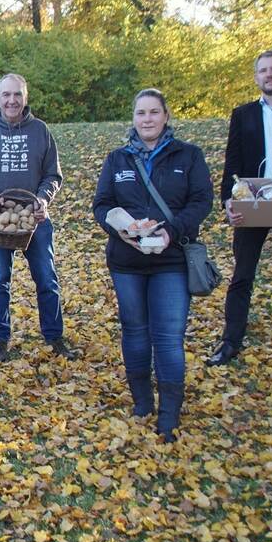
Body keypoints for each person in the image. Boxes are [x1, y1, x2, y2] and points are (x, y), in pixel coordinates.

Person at [92, 89, 212, 442]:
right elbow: (101, 204)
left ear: (166, 116)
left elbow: (201, 202)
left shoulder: (188, 156)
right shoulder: (118, 159)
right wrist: (120, 226)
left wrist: (170, 233)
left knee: (168, 337)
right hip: (126, 260)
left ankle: (170, 414)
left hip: (171, 260)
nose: (147, 119)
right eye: (140, 113)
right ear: (133, 118)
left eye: (153, 112)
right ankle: (142, 401)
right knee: (135, 330)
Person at [0, 73, 70, 362]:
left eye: (18, 95)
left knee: (47, 278)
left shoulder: (40, 131)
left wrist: (43, 199)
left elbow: (53, 174)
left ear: (25, 98)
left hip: (34, 219)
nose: (12, 100)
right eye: (6, 95)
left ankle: (54, 335)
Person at [206, 50, 272, 366]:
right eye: (263, 70)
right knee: (242, 276)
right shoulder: (243, 114)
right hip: (252, 202)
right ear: (256, 77)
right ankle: (231, 342)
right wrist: (229, 201)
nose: (269, 75)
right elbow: (232, 162)